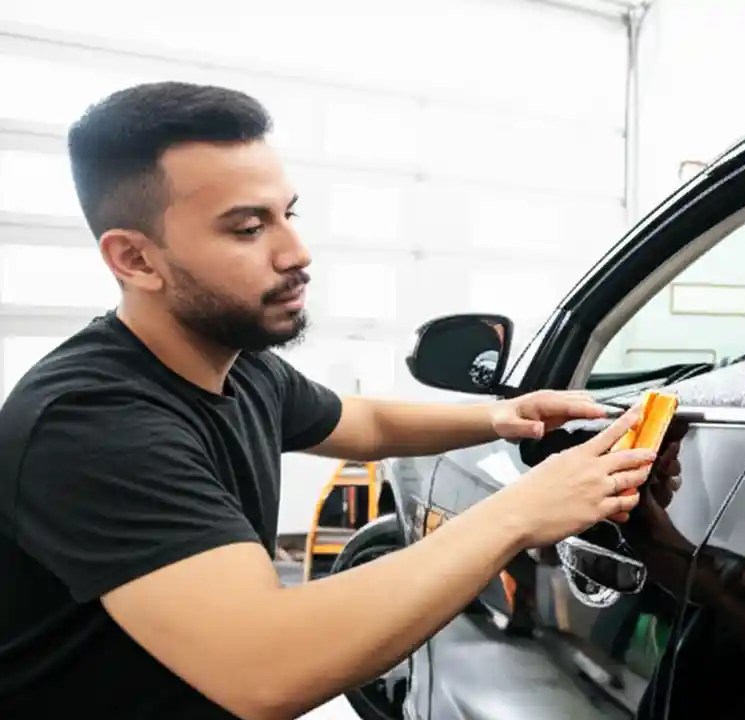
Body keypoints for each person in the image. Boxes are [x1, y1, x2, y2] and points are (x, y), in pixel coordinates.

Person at [0, 82, 656, 720]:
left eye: (288, 213)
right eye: (248, 228)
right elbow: (266, 670)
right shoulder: (92, 424)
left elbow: (362, 423)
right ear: (136, 260)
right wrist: (522, 511)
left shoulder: (241, 367)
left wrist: (497, 416)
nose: (298, 252)